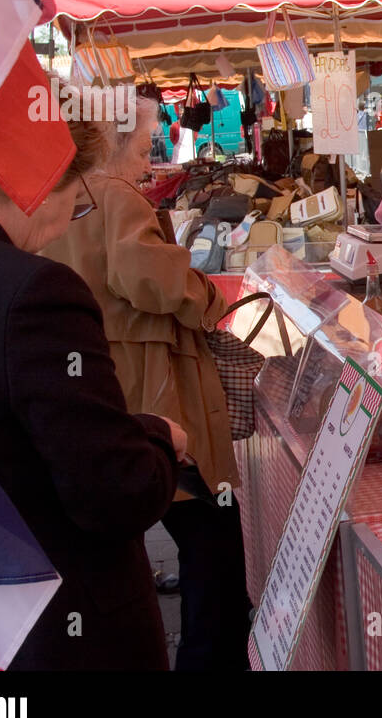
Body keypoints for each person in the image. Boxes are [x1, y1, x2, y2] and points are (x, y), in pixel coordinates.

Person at [0, 92, 187, 670]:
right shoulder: (36, 294)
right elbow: (112, 491)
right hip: (51, 627)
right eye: (76, 203)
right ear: (37, 184)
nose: (66, 223)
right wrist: (159, 440)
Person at [43, 96, 252, 670]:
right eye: (141, 144)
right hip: (151, 387)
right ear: (112, 141)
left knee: (145, 535)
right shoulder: (112, 194)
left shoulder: (57, 199)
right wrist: (207, 297)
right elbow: (149, 278)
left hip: (105, 382)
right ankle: (211, 660)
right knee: (212, 542)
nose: (146, 156)